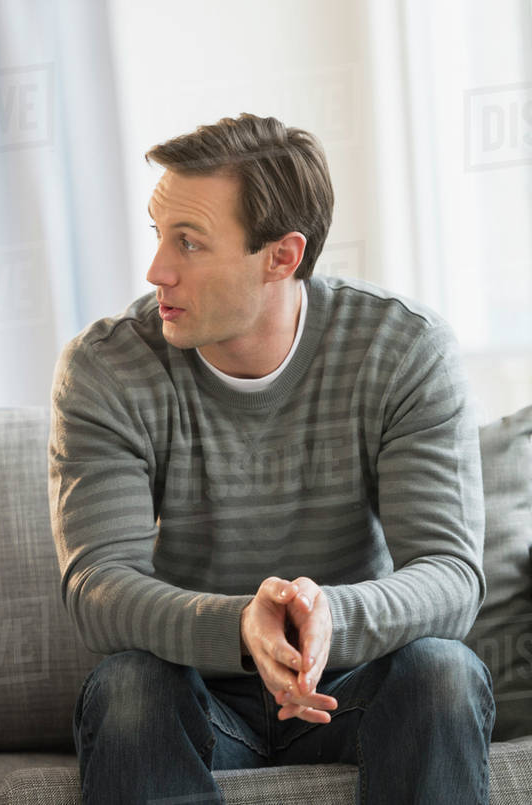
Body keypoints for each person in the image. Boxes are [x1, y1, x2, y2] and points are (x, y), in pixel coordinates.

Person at [49, 113, 494, 804]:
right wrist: (235, 626)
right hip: (194, 690)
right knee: (130, 685)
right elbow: (96, 586)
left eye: (189, 242)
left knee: (443, 671)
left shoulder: (401, 346)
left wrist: (333, 617)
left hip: (353, 684)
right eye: (159, 233)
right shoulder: (109, 367)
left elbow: (451, 574)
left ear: (282, 256)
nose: (156, 269)